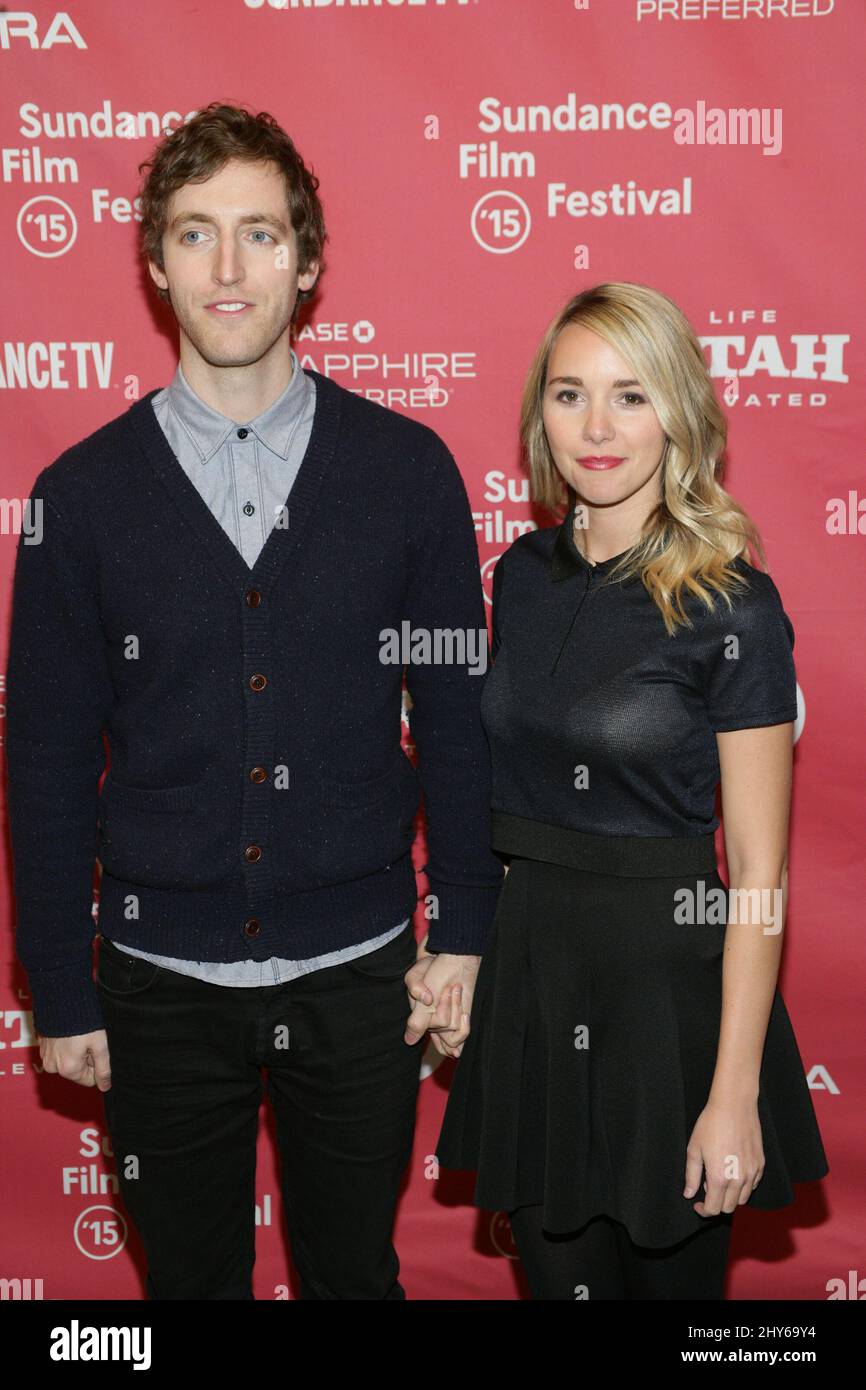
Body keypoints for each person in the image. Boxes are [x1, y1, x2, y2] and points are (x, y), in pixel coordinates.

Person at [5, 101, 504, 1301]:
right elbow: (46, 758)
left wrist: (469, 928)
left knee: (353, 1279)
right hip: (154, 981)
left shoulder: (406, 472)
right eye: (194, 234)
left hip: (359, 975)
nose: (228, 269)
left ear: (308, 260)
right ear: (154, 262)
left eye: (260, 235)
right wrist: (58, 985)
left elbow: (451, 717)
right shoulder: (77, 499)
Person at [432, 281, 829, 1301]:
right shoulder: (518, 573)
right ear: (538, 415)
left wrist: (731, 1089)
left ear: (678, 415)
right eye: (569, 395)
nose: (596, 427)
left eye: (630, 394)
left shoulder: (729, 605)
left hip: (669, 1005)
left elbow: (756, 871)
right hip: (534, 986)